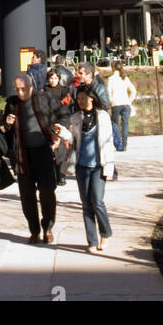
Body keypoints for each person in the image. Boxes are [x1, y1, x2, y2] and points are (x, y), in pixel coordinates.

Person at [5, 73, 71, 243]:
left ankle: (47, 227)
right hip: (23, 155)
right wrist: (7, 123)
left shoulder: (45, 98)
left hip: (44, 151)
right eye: (17, 89)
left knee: (47, 192)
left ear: (31, 87)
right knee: (27, 197)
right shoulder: (12, 103)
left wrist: (58, 132)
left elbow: (65, 114)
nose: (20, 93)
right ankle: (34, 230)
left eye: (23, 89)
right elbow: (6, 132)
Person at [68, 85, 114, 253]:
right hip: (82, 166)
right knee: (86, 204)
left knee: (97, 201)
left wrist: (109, 166)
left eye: (84, 98)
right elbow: (72, 139)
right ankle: (92, 241)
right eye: (78, 99)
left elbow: (109, 143)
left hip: (98, 165)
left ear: (92, 98)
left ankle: (105, 233)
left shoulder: (102, 117)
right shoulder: (75, 118)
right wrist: (61, 133)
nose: (81, 101)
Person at [107, 63, 137, 151]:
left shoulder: (111, 79)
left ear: (112, 68)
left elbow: (109, 92)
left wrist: (111, 101)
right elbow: (133, 91)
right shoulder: (125, 78)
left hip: (116, 104)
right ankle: (125, 144)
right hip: (126, 104)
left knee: (114, 123)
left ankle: (118, 143)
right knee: (125, 124)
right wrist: (129, 100)